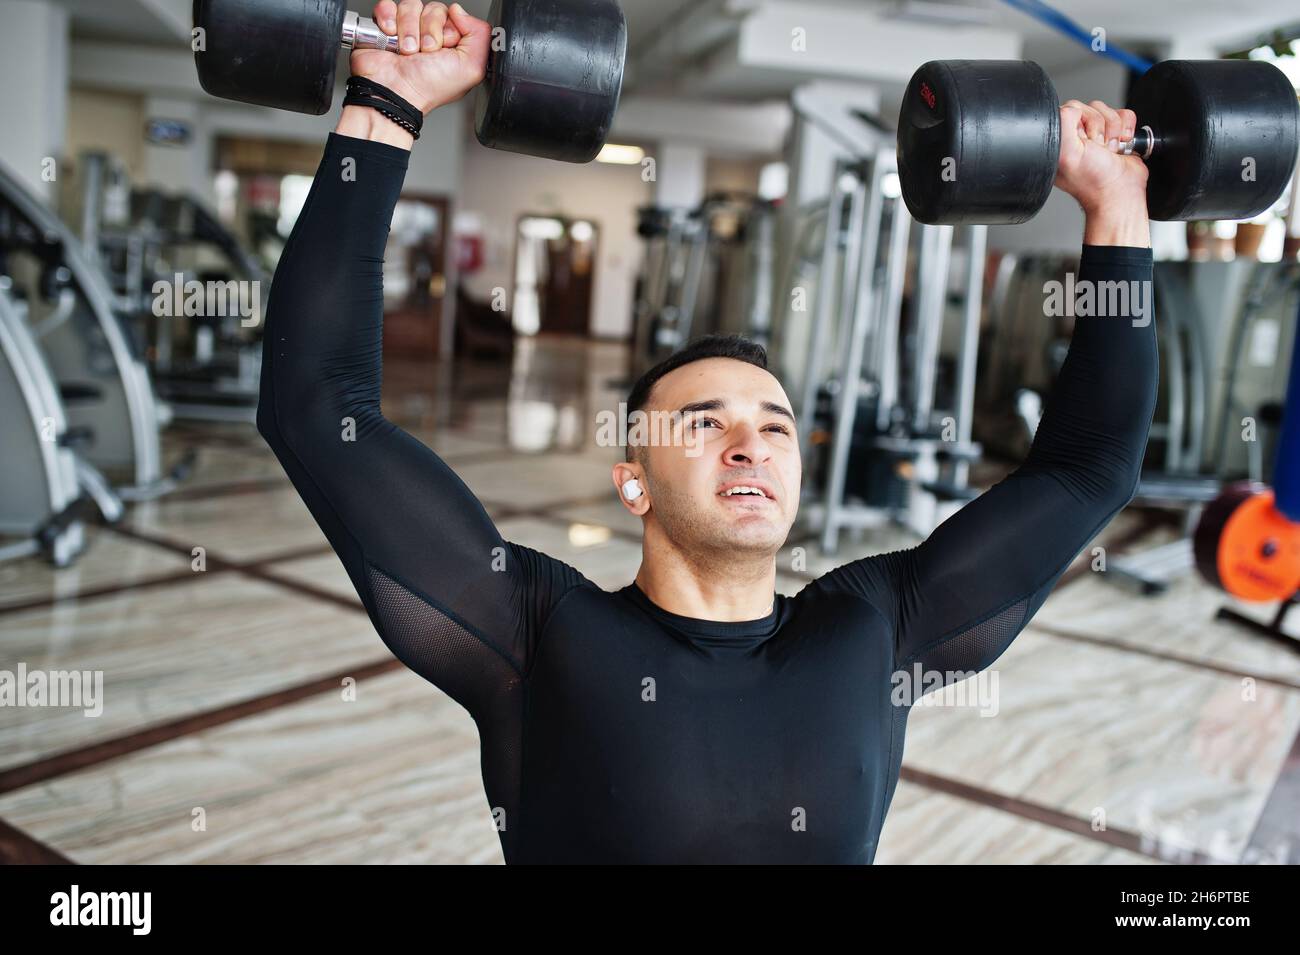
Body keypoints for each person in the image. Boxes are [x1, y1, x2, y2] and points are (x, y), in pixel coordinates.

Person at [257, 0, 1156, 863]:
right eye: (703, 423)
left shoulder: (876, 630)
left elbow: (1089, 469)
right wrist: (387, 102)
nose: (751, 444)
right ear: (633, 480)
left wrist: (1117, 207)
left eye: (776, 426)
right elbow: (316, 402)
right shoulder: (537, 632)